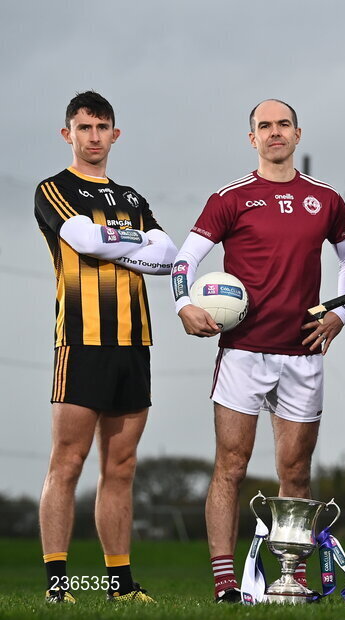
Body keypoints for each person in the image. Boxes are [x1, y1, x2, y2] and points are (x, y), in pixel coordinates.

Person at [171, 99, 345, 603]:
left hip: (303, 351)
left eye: (282, 125)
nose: (274, 133)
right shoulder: (230, 198)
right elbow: (183, 261)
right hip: (243, 351)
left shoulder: (326, 199)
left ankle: (290, 578)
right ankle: (225, 583)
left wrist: (341, 312)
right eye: (263, 126)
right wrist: (184, 305)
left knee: (295, 471)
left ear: (298, 134)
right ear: (251, 138)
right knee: (230, 465)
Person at [35, 91, 178, 604]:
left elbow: (169, 256)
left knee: (120, 468)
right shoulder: (54, 188)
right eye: (83, 127)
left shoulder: (133, 199)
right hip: (81, 341)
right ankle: (58, 584)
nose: (93, 136)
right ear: (67, 133)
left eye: (102, 127)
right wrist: (137, 245)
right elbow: (83, 239)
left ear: (115, 135)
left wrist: (124, 244)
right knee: (67, 463)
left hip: (133, 342)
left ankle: (120, 586)